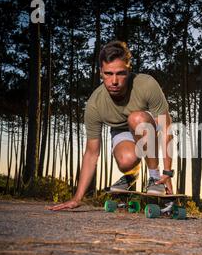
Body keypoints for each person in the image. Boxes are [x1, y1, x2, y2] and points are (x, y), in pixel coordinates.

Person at [48, 41, 174, 211]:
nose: (114, 81)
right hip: (122, 133)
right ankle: (132, 174)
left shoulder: (147, 85)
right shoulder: (95, 104)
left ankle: (153, 177)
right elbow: (92, 153)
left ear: (129, 71)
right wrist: (77, 198)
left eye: (120, 73)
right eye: (108, 74)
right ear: (101, 72)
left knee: (136, 118)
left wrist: (166, 173)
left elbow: (166, 128)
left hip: (145, 127)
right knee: (125, 161)